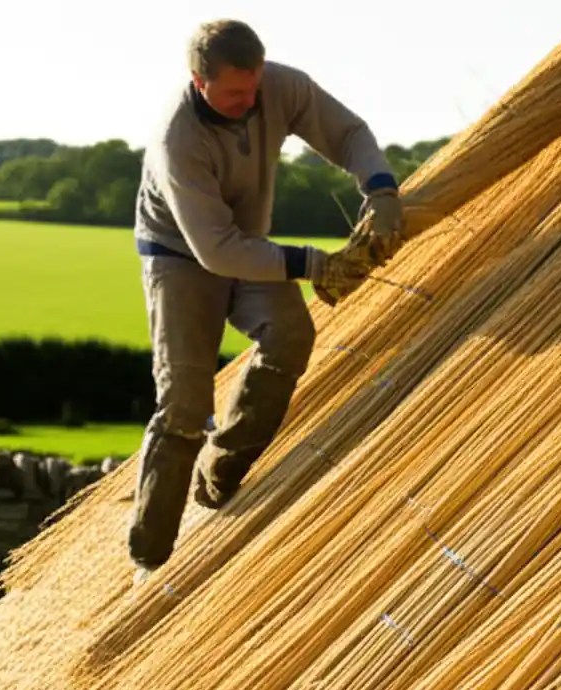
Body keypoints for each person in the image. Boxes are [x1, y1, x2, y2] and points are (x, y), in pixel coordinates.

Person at [127, 18, 403, 581]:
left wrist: (380, 186)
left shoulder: (277, 88)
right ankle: (149, 558)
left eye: (254, 88)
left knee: (292, 334)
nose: (250, 102)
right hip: (182, 258)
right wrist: (312, 264)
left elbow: (348, 133)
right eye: (235, 93)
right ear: (199, 81)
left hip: (246, 244)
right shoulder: (177, 142)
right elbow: (215, 252)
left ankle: (220, 476)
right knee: (183, 402)